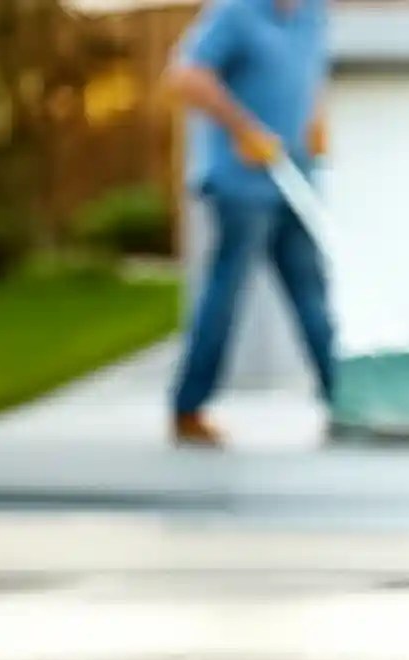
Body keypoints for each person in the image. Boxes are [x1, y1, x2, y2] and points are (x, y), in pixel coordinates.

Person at [165, 0, 333, 446]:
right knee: (226, 293)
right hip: (240, 184)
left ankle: (342, 396)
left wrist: (315, 122)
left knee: (311, 289)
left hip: (294, 178)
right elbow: (186, 77)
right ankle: (188, 407)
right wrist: (243, 129)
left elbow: (310, 73)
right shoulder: (235, 13)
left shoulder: (313, 12)